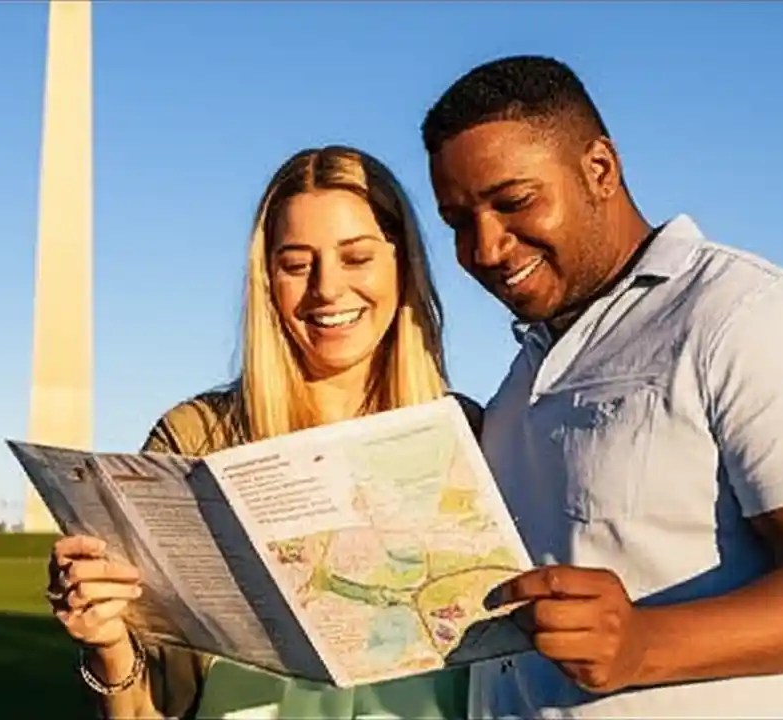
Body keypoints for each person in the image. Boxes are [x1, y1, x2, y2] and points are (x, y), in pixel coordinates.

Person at [419, 55, 783, 719]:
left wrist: (644, 644)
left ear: (599, 169)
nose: (487, 247)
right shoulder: (523, 372)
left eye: (514, 202)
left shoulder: (749, 313)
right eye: (457, 222)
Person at [45, 145, 482, 719]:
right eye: (297, 264)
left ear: (403, 264)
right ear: (267, 279)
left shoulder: (473, 437)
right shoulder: (196, 440)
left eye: (356, 258)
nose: (327, 288)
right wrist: (108, 643)